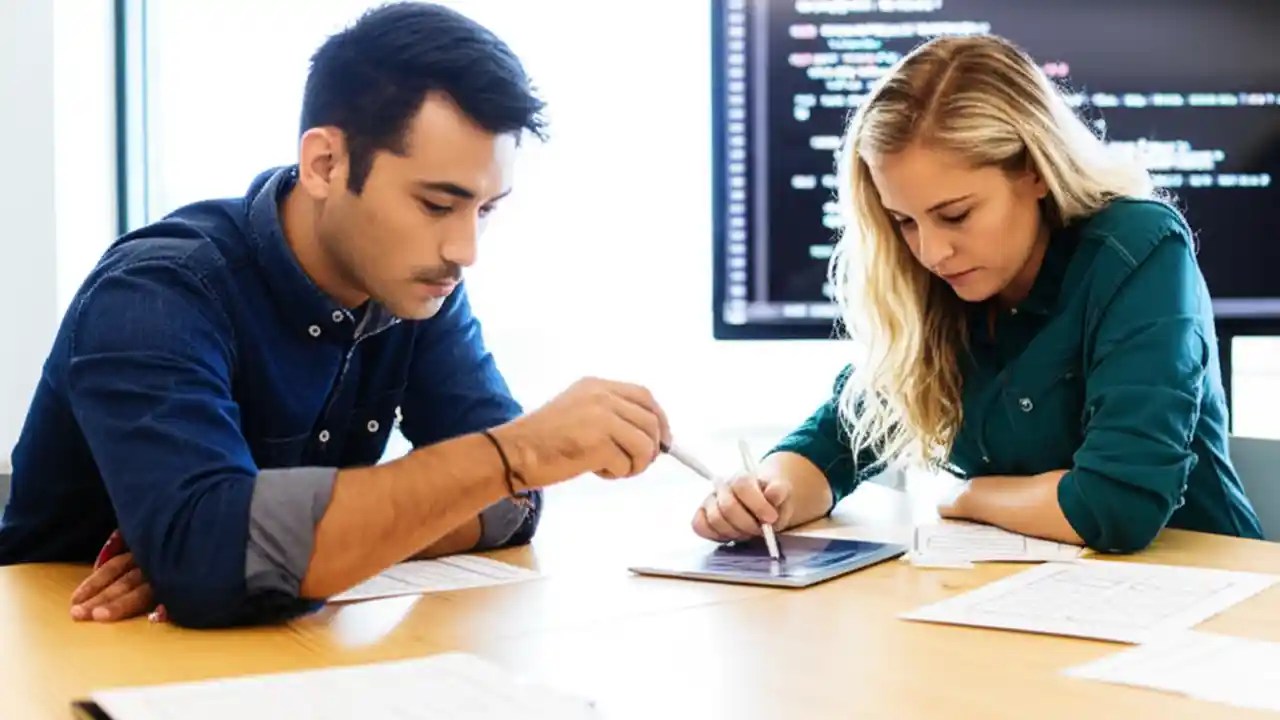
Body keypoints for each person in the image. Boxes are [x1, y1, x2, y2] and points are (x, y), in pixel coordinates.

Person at [0, 2, 672, 628]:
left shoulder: (414, 286)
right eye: (437, 205)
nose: (465, 250)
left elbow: (510, 508)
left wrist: (270, 550)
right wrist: (225, 551)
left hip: (265, 659)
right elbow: (209, 562)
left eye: (486, 210)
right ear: (324, 164)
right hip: (68, 654)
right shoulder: (154, 293)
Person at [693, 34, 1262, 552]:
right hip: (1031, 592)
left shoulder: (1138, 248)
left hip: (1207, 588)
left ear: (1034, 170)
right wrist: (765, 496)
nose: (931, 252)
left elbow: (1116, 506)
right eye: (904, 221)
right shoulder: (939, 286)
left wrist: (967, 496)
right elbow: (834, 444)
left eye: (956, 214)